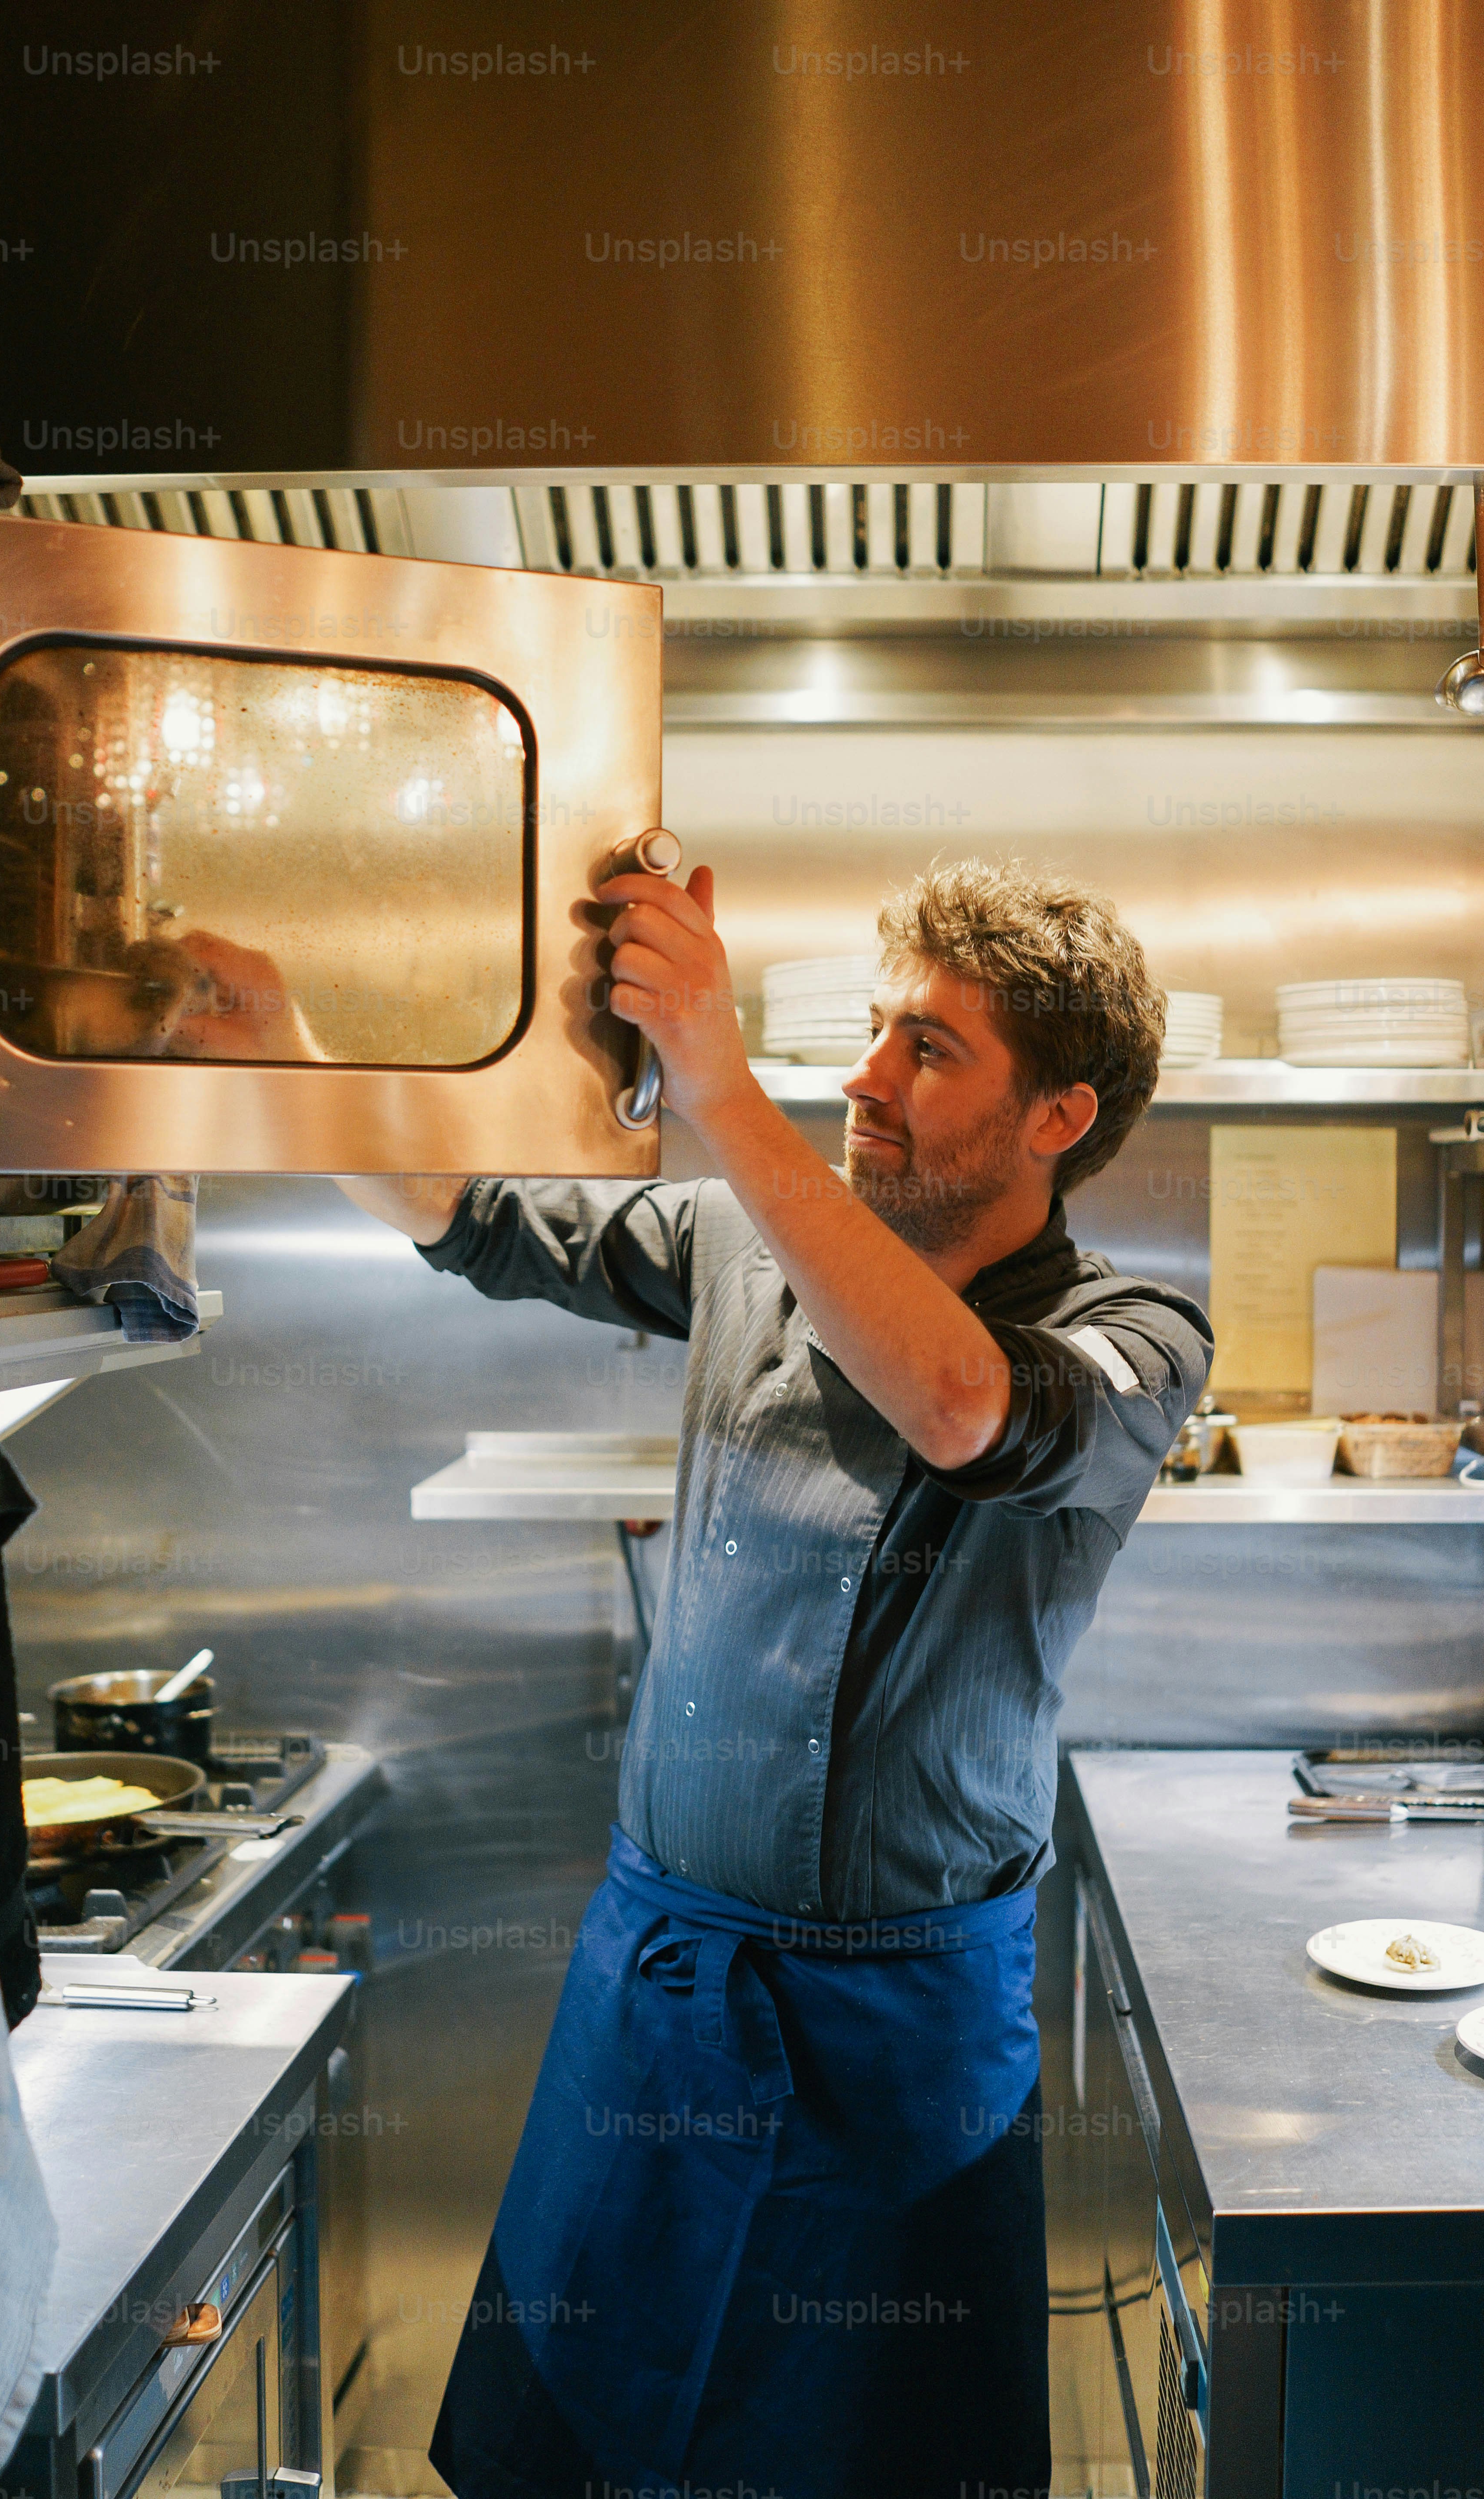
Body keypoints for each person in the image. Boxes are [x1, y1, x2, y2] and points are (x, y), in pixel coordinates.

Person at [339, 853, 1212, 2499]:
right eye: (874, 1032)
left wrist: (715, 1078)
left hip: (897, 2035)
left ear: (1060, 1115)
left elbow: (964, 1408)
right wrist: (275, 1054)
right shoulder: (749, 1252)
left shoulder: (1141, 1335)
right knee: (581, 2448)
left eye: (928, 1051)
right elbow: (469, 1216)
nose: (864, 1079)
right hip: (660, 1984)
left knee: (863, 2461)